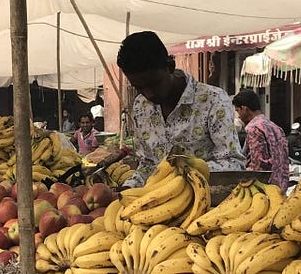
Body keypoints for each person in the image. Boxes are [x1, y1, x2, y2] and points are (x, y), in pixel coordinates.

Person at [115, 30, 243, 186]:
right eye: (139, 87)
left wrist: (182, 174)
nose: (148, 94)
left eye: (154, 84)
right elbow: (148, 164)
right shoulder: (140, 106)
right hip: (157, 203)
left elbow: (233, 163)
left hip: (206, 203)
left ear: (170, 66)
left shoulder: (214, 100)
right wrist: (128, 188)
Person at [231, 90, 290, 189]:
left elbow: (258, 166)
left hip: (264, 189)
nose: (239, 116)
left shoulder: (254, 128)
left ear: (244, 108)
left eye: (238, 111)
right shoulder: (275, 127)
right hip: (281, 187)